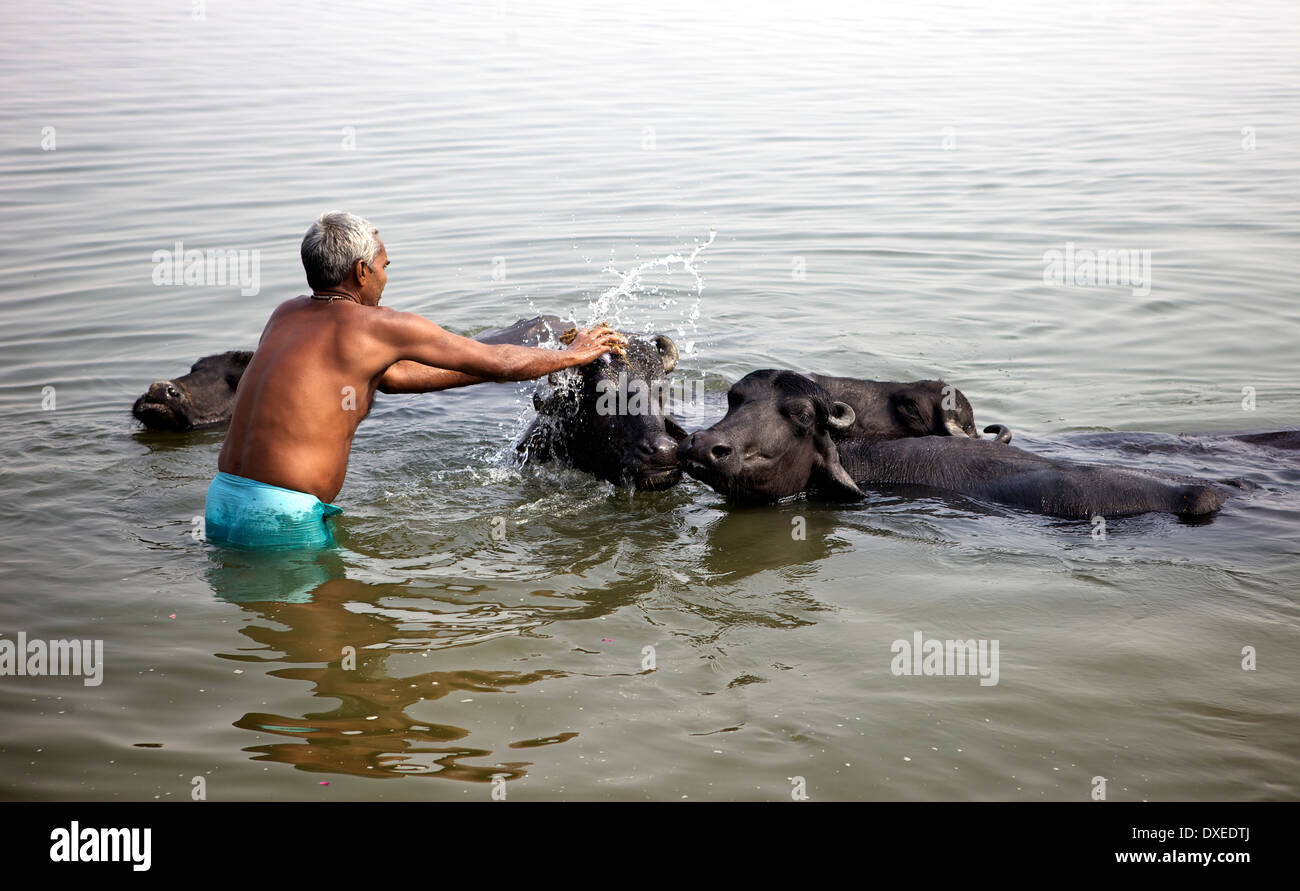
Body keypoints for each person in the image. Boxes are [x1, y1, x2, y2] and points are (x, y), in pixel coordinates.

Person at [205, 211, 625, 549]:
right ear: (361, 272)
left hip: (222, 501)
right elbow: (498, 360)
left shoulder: (284, 314)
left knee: (275, 634)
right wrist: (572, 354)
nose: (386, 277)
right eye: (384, 266)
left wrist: (486, 375)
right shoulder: (379, 326)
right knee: (328, 644)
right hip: (283, 517)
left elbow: (394, 377)